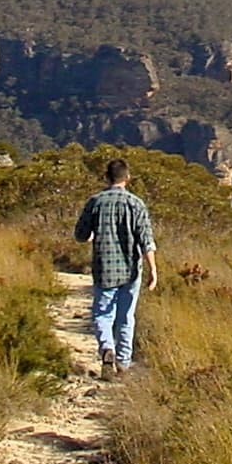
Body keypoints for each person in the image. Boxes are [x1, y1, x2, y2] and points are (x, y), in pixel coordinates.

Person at [75, 157, 157, 378]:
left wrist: (94, 233)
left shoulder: (95, 202)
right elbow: (146, 239)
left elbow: (80, 235)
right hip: (131, 269)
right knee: (126, 316)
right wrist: (153, 270)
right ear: (127, 178)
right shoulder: (136, 203)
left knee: (103, 313)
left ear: (106, 177)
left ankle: (106, 349)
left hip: (104, 267)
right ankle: (123, 362)